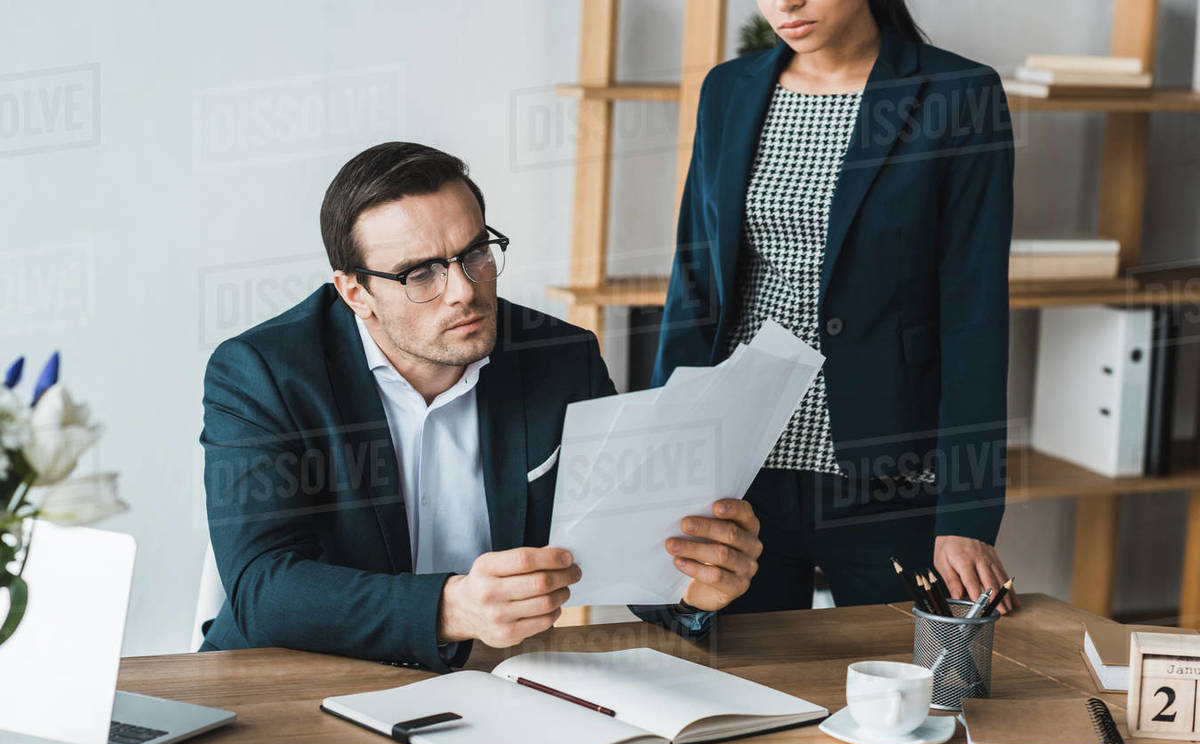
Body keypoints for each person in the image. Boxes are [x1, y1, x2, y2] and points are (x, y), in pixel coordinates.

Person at [199, 142, 761, 671]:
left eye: (474, 254)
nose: (463, 290)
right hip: (287, 677)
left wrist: (692, 589)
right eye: (420, 274)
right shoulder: (262, 372)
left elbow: (624, 546)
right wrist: (452, 609)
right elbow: (262, 587)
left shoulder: (561, 356)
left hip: (487, 679)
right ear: (355, 294)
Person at [655, 0, 1018, 614]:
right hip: (740, 474)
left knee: (917, 692)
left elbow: (974, 313)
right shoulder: (729, 89)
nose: (784, 5)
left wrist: (967, 512)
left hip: (891, 478)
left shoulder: (957, 93)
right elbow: (693, 287)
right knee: (742, 687)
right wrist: (666, 463)